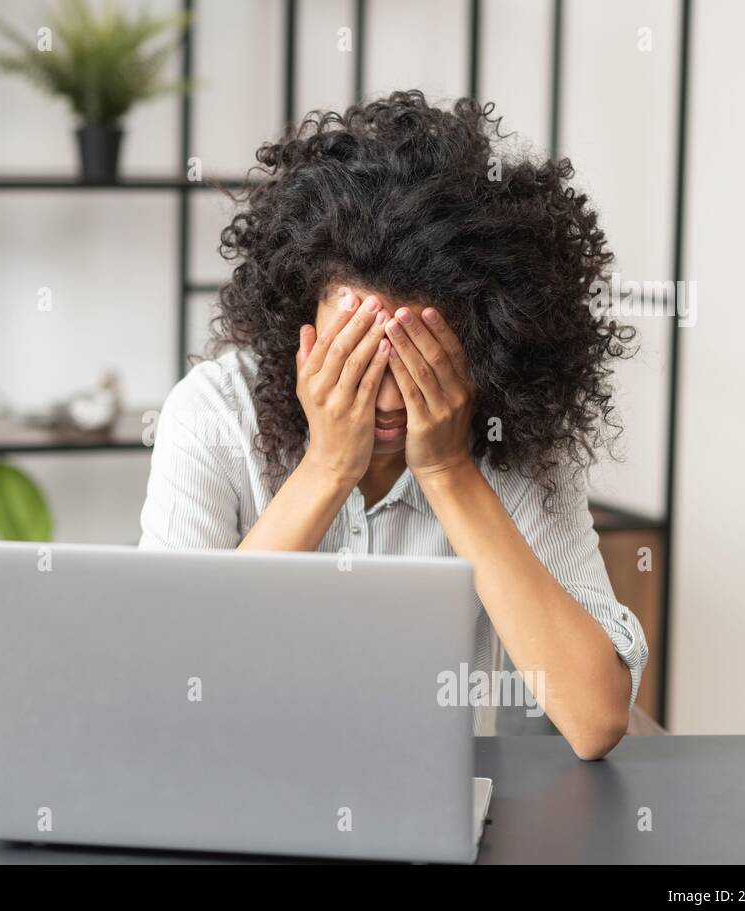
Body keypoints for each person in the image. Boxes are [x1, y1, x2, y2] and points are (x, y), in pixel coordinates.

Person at [139, 90, 647, 760]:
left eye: (415, 360)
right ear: (300, 326)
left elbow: (595, 718)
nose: (382, 398)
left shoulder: (511, 437)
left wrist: (448, 471)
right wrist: (326, 468)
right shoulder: (211, 414)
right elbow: (166, 692)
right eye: (353, 354)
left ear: (484, 345)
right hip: (231, 783)